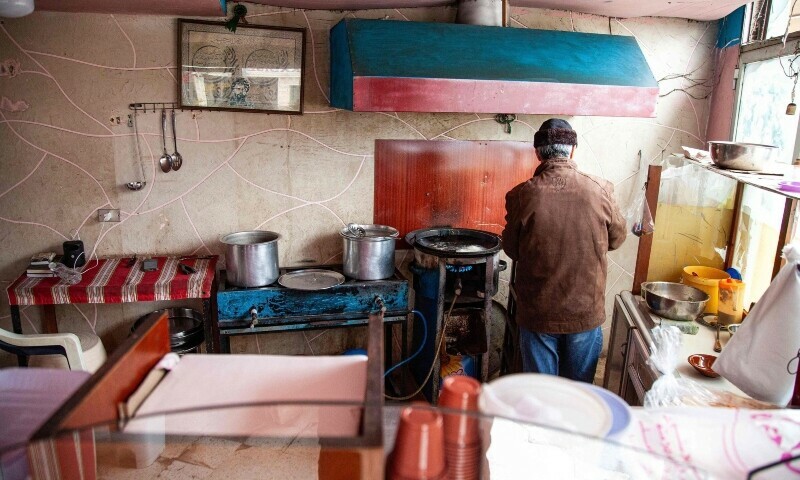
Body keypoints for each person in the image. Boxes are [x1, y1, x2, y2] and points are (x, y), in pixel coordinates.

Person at [501, 118, 627, 383]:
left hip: (538, 314)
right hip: (584, 313)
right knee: (578, 394)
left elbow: (512, 249)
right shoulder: (600, 190)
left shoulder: (522, 195)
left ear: (538, 153)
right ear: (572, 150)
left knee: (542, 394)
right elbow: (617, 239)